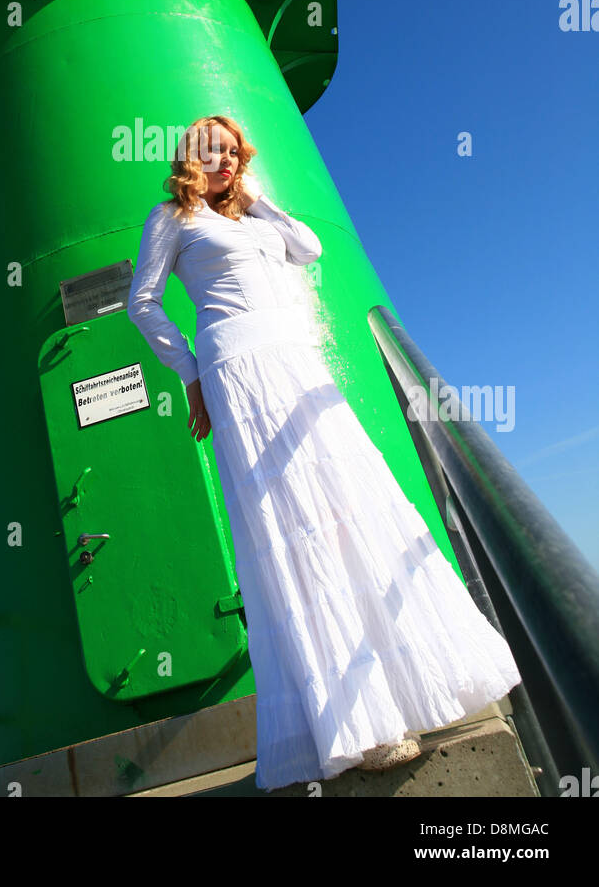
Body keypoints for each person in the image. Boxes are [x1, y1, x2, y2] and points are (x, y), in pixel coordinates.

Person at [126, 114, 522, 792]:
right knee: (292, 529)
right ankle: (361, 725)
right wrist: (190, 372)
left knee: (350, 509)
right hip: (235, 368)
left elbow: (308, 248)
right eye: (212, 151)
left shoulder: (250, 219)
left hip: (295, 359)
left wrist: (258, 202)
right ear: (190, 156)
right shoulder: (171, 217)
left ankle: (407, 690)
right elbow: (143, 303)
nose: (225, 161)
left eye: (233, 152)